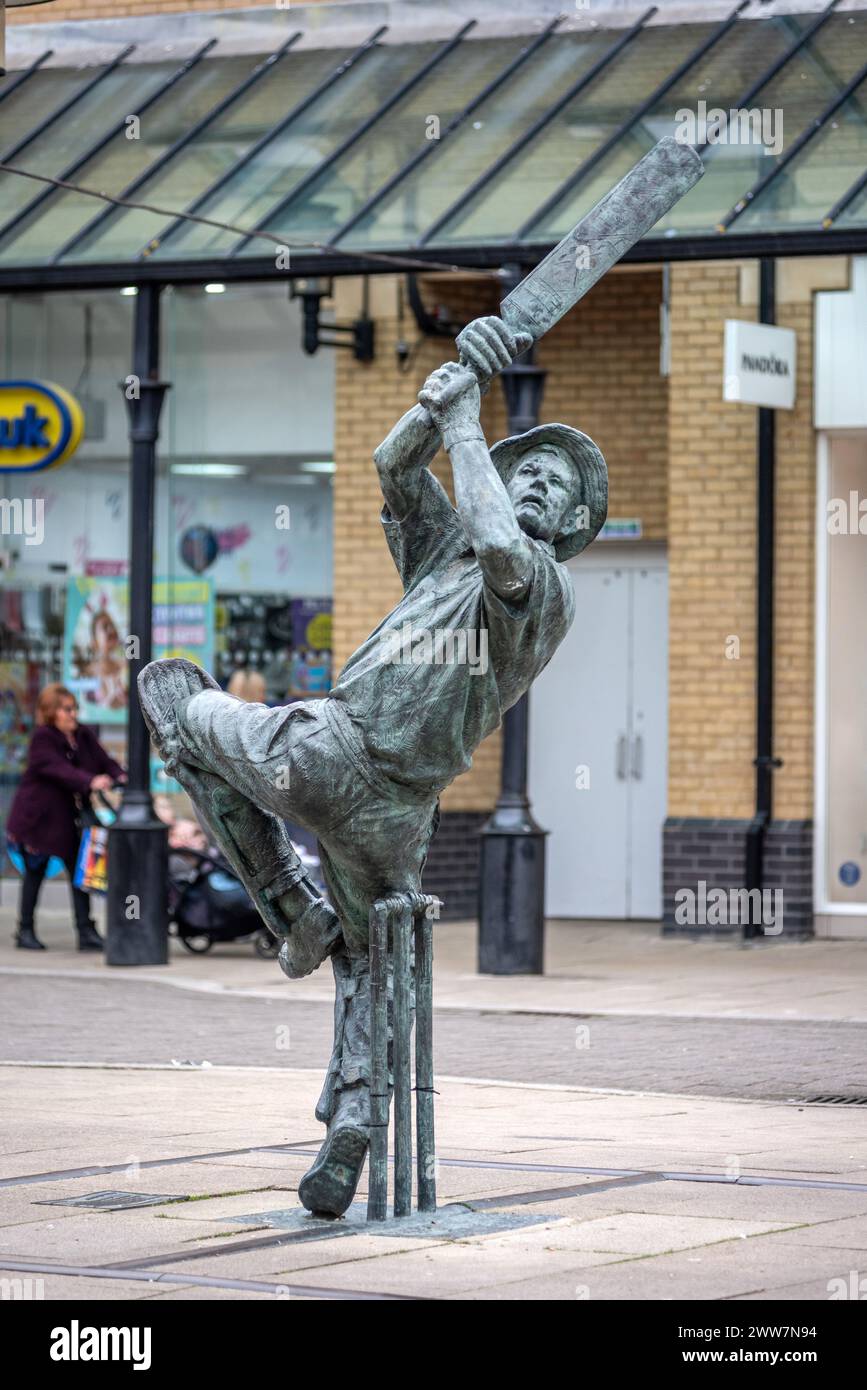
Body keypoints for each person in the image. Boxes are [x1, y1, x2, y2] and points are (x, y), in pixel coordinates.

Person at [138, 315, 607, 1216]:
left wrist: (468, 425)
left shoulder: (544, 585)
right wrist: (440, 398)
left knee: (176, 701)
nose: (540, 487)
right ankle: (352, 1116)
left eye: (556, 487)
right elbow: (392, 469)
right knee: (368, 959)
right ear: (502, 483)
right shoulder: (442, 551)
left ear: (577, 524)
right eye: (529, 473)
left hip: (340, 756)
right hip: (395, 806)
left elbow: (503, 548)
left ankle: (284, 902)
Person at [6, 683, 126, 951]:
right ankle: (25, 930)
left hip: (69, 821)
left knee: (80, 875)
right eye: (67, 709)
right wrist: (90, 780)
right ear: (51, 713)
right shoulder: (43, 738)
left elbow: (104, 760)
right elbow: (58, 770)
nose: (73, 714)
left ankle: (86, 931)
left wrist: (120, 775)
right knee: (34, 873)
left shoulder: (82, 735)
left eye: (74, 709)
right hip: (37, 820)